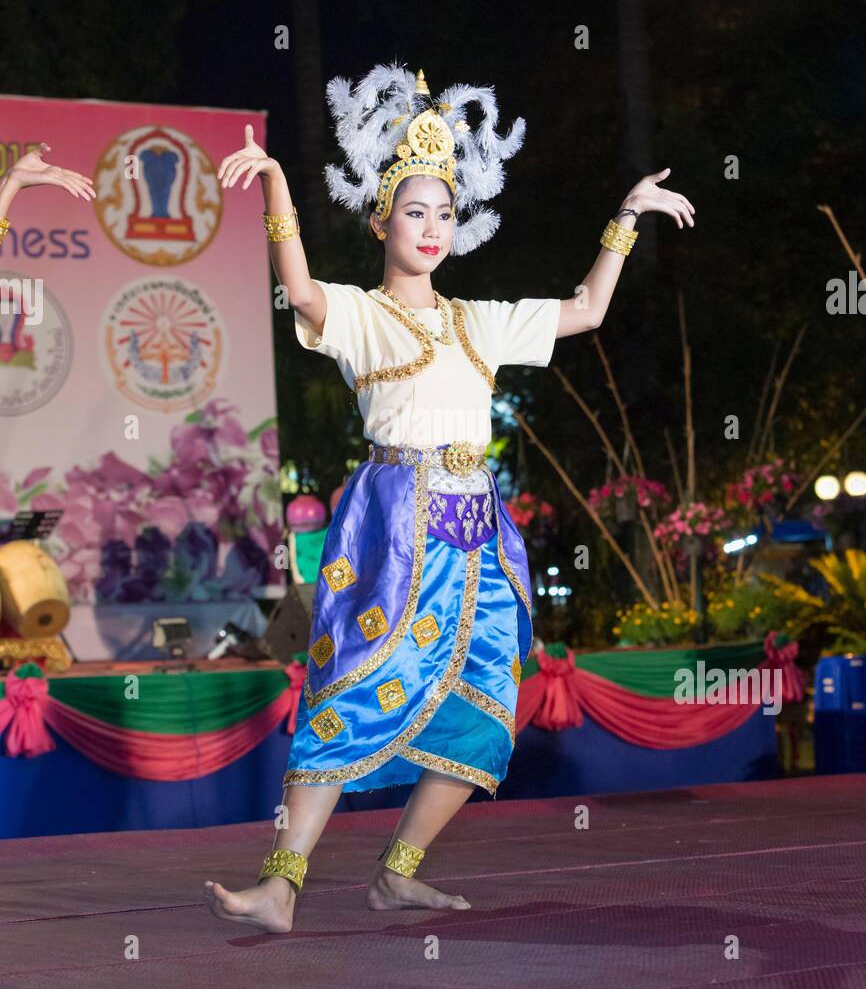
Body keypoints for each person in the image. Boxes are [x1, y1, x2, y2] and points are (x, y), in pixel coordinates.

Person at [205, 63, 694, 932]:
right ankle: (282, 886)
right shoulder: (356, 313)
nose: (432, 229)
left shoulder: (481, 319)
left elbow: (585, 308)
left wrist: (623, 219)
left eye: (445, 214)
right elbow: (303, 290)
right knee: (347, 687)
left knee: (484, 712)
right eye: (414, 212)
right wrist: (278, 187)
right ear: (380, 220)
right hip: (395, 526)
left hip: (478, 534)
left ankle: (397, 872)